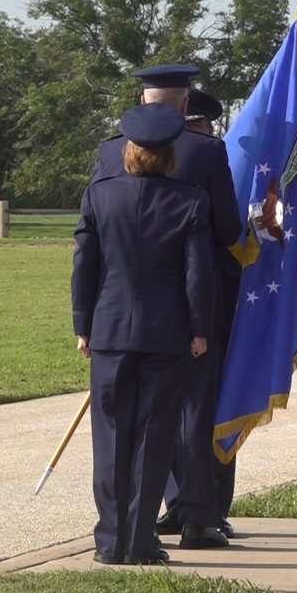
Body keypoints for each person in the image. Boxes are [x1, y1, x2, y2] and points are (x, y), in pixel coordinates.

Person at [92, 65, 242, 550]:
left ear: (141, 99)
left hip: (114, 314)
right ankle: (197, 514)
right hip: (186, 311)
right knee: (190, 412)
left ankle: (126, 529)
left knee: (120, 427)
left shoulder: (106, 152)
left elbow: (90, 242)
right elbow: (226, 229)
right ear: (184, 106)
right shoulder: (208, 150)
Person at [72, 101, 215, 565]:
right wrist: (200, 329)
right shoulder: (190, 201)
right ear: (169, 153)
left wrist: (83, 326)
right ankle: (137, 543)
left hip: (109, 331)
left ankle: (111, 543)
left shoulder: (99, 194)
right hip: (166, 333)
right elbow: (198, 275)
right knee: (154, 439)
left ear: (129, 149)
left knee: (111, 438)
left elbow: (85, 267)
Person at [158, 89, 241, 541]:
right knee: (204, 409)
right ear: (203, 123)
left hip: (148, 303)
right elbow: (228, 229)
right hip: (204, 303)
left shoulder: (129, 150)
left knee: (162, 408)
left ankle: (176, 503)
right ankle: (205, 509)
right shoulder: (210, 154)